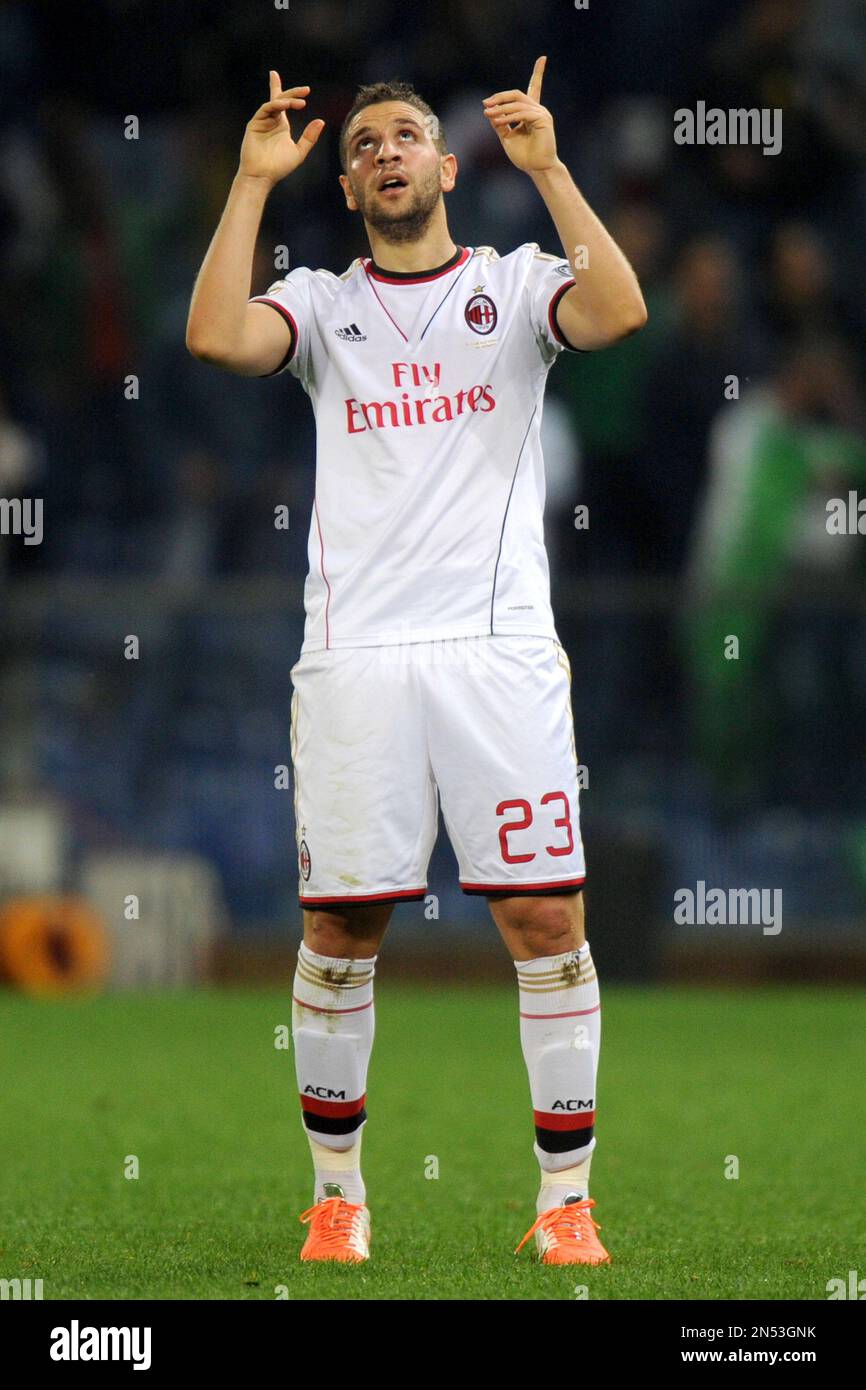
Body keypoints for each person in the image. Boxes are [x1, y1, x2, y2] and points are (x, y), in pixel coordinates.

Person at [186, 57, 646, 1267]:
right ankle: (337, 1196)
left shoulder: (515, 283)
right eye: (364, 145)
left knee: (544, 917)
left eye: (404, 137)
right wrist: (249, 181)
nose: (384, 151)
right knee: (341, 932)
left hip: (497, 650)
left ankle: (564, 1202)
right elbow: (214, 334)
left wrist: (549, 169)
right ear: (346, 187)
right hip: (356, 656)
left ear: (445, 167)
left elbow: (617, 314)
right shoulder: (320, 307)